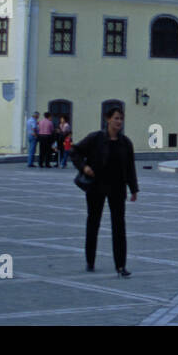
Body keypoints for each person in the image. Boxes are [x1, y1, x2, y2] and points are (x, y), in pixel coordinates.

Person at [72, 105, 138, 277]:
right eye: (116, 118)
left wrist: (133, 189)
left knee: (119, 226)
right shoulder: (96, 138)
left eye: (121, 119)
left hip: (117, 187)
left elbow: (130, 167)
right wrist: (84, 167)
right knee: (93, 222)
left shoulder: (125, 142)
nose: (119, 122)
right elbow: (75, 151)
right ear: (108, 119)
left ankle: (121, 266)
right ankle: (90, 260)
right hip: (96, 186)